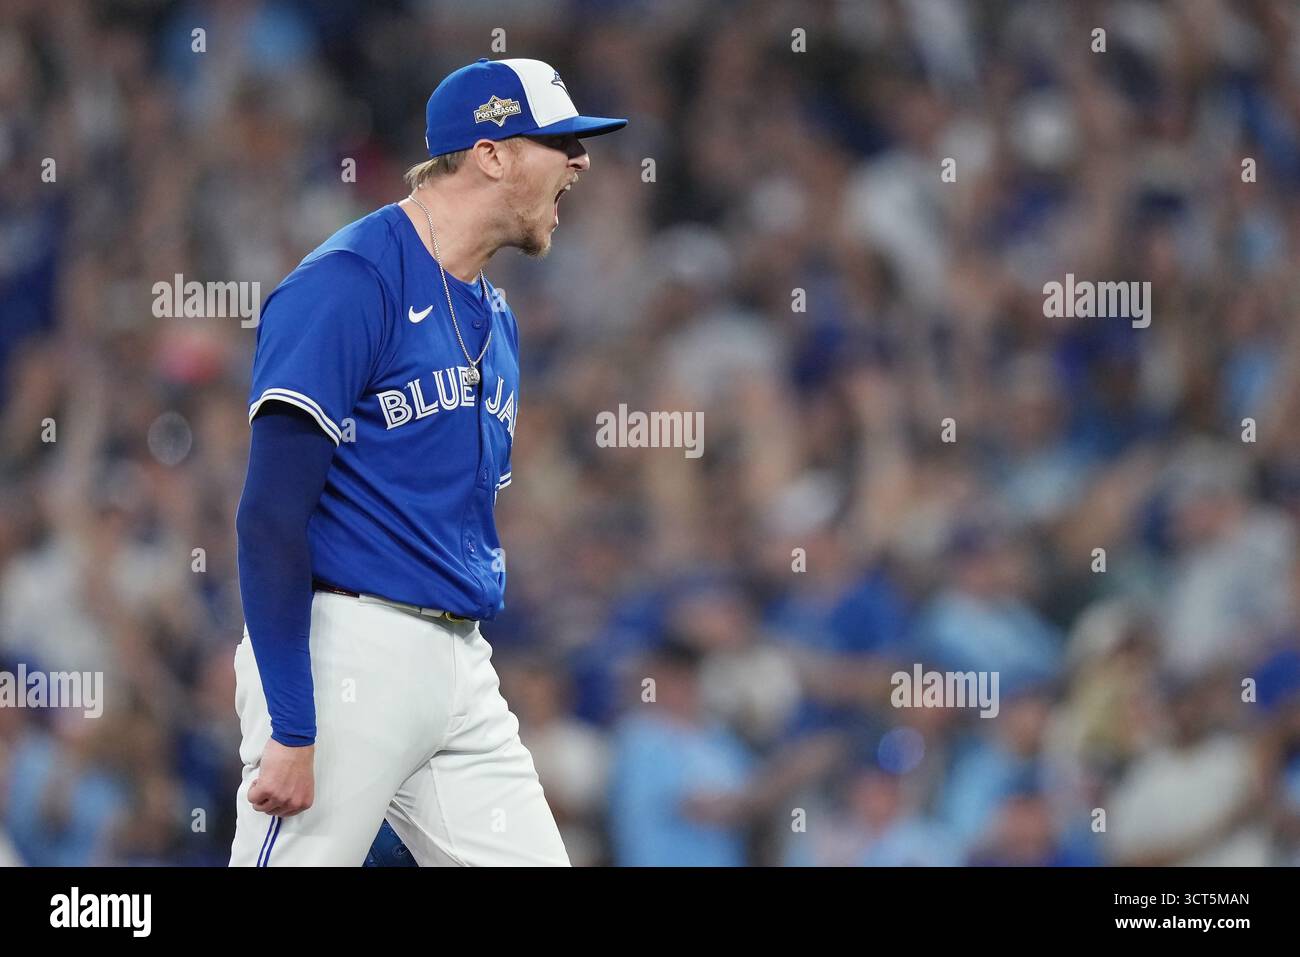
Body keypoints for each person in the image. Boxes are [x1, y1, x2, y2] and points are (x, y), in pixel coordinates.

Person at [229, 57, 625, 866]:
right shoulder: (348, 281)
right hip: (347, 650)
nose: (582, 162)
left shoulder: (499, 323)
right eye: (561, 143)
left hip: (460, 664)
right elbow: (270, 516)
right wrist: (293, 721)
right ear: (492, 153)